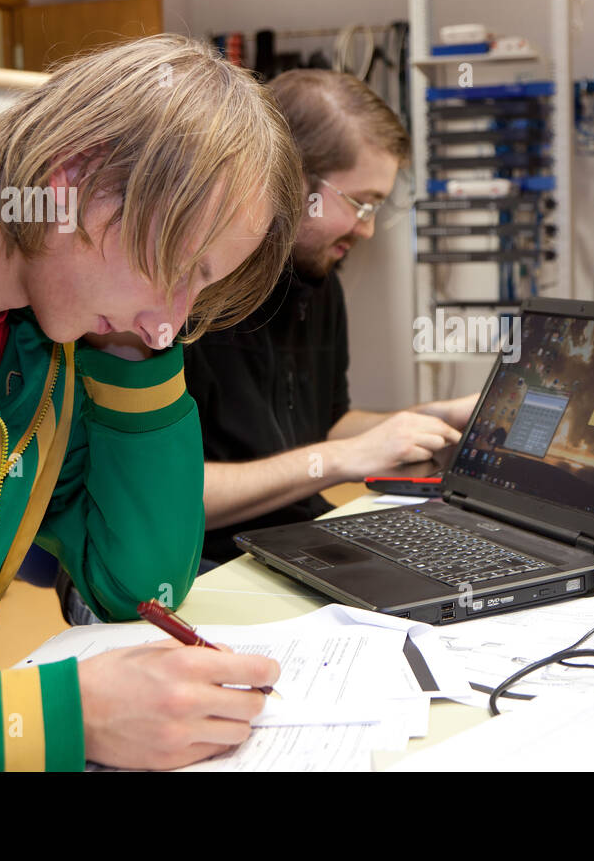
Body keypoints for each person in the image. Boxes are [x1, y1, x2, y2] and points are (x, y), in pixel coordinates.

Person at [0, 34, 302, 771]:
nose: (171, 319)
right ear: (71, 179)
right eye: (177, 267)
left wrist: (142, 356)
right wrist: (42, 716)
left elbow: (141, 592)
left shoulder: (47, 337)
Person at [185, 69, 476, 565]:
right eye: (362, 204)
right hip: (204, 561)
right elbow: (171, 498)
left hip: (290, 538)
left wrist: (428, 419)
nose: (367, 230)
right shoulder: (189, 298)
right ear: (291, 181)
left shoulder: (315, 283)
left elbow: (324, 424)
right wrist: (344, 460)